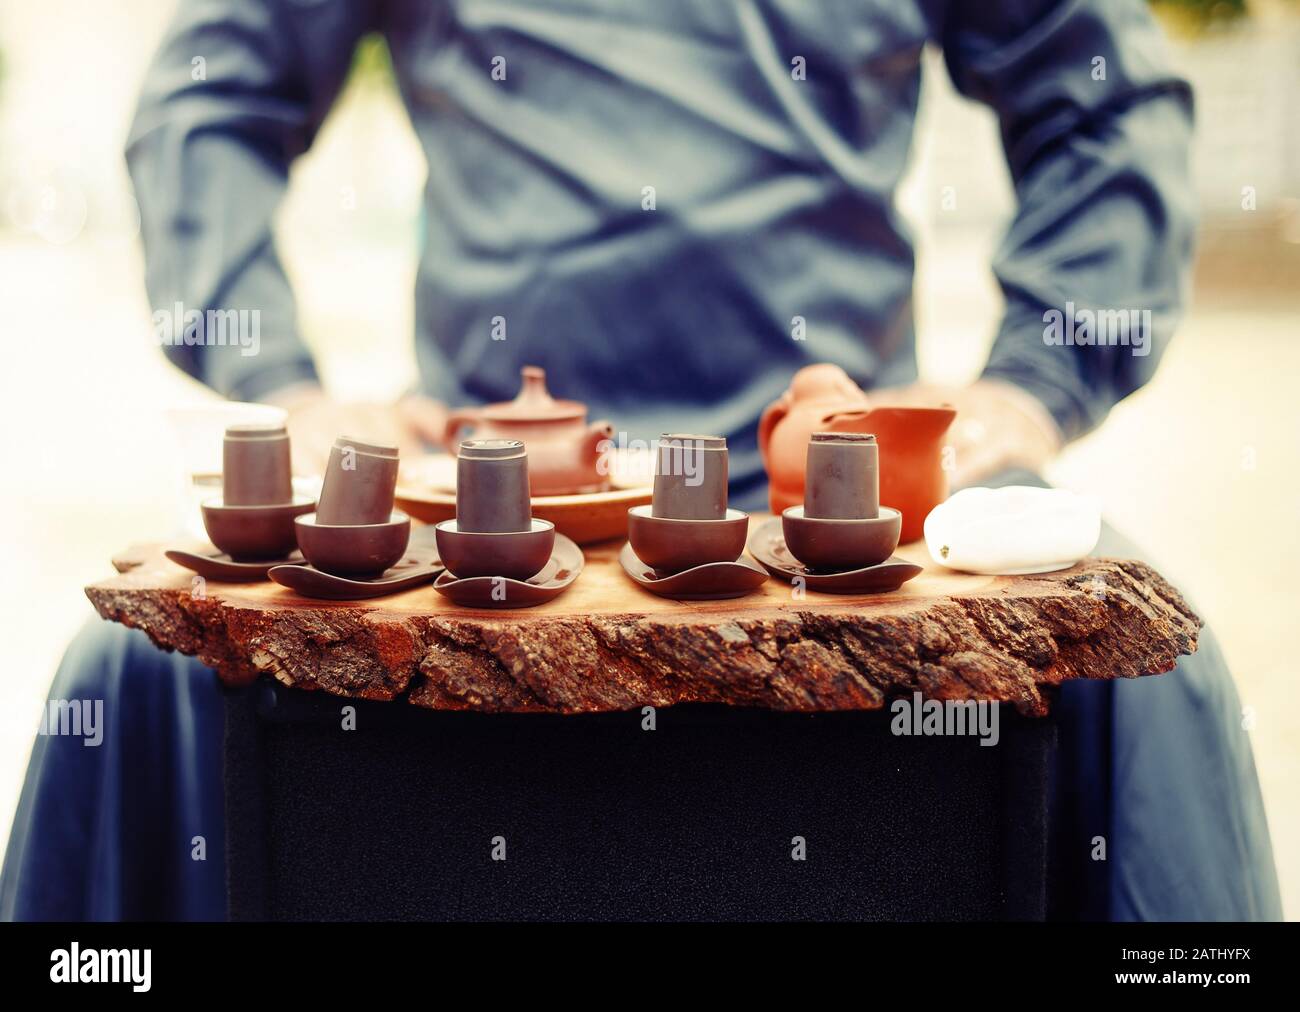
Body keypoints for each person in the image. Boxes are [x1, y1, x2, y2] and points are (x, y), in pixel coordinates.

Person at [1, 0, 1281, 920]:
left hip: (840, 514)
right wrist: (287, 387)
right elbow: (209, 93)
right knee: (136, 666)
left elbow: (1106, 97)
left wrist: (1033, 386)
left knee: (1147, 670)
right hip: (482, 513)